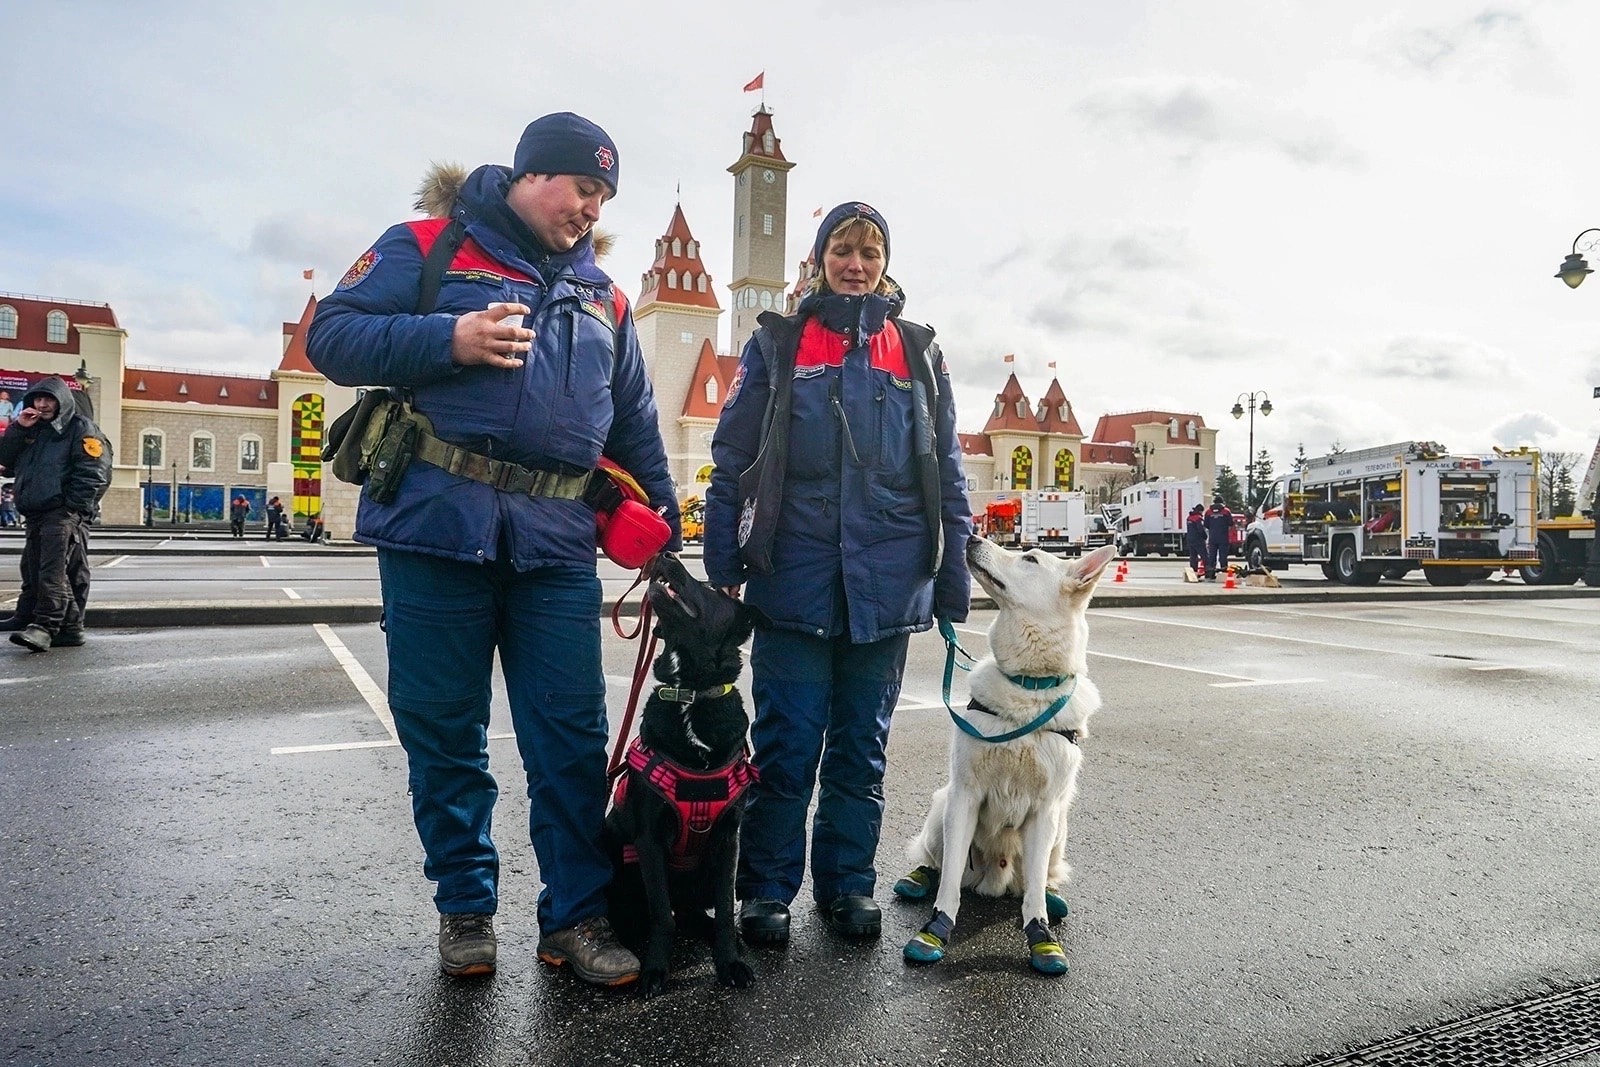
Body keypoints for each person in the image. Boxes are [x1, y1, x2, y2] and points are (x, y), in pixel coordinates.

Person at [306, 111, 679, 986]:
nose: (591, 207)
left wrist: (661, 524)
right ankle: (466, 908)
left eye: (603, 196)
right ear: (529, 175)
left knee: (570, 741)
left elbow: (635, 421)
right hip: (437, 529)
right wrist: (449, 337)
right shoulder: (429, 245)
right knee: (445, 734)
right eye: (581, 187)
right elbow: (332, 335)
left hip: (554, 545)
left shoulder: (607, 298)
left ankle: (575, 919)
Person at [704, 202, 972, 946]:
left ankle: (847, 886)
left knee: (861, 750)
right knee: (787, 748)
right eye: (843, 249)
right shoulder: (779, 343)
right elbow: (732, 457)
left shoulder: (919, 351)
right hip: (794, 580)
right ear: (821, 258)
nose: (856, 263)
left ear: (886, 261)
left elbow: (947, 472)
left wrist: (952, 583)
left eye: (871, 250)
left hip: (886, 589)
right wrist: (722, 560)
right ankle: (765, 891)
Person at [0, 377, 111, 651]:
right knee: (33, 567)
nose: (42, 404)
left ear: (62, 401)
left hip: (62, 511)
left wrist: (73, 508)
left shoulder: (80, 428)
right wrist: (18, 428)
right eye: (37, 399)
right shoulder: (34, 430)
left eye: (48, 399)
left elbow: (94, 472)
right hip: (37, 510)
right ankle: (56, 624)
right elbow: (7, 462)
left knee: (54, 570)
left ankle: (45, 626)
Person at [1204, 495, 1233, 581]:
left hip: (1212, 537)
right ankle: (1224, 574)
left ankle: (1211, 573)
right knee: (1223, 556)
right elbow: (1230, 523)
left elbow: (1206, 525)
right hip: (1223, 537)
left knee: (1212, 556)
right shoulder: (1226, 511)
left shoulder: (1208, 512)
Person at [1185, 502, 1206, 578]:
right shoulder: (1198, 518)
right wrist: (1205, 537)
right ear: (1200, 511)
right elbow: (1200, 530)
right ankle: (1207, 572)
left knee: (1193, 557)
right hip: (1198, 540)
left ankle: (1193, 572)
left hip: (1190, 539)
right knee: (1204, 556)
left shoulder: (1189, 518)